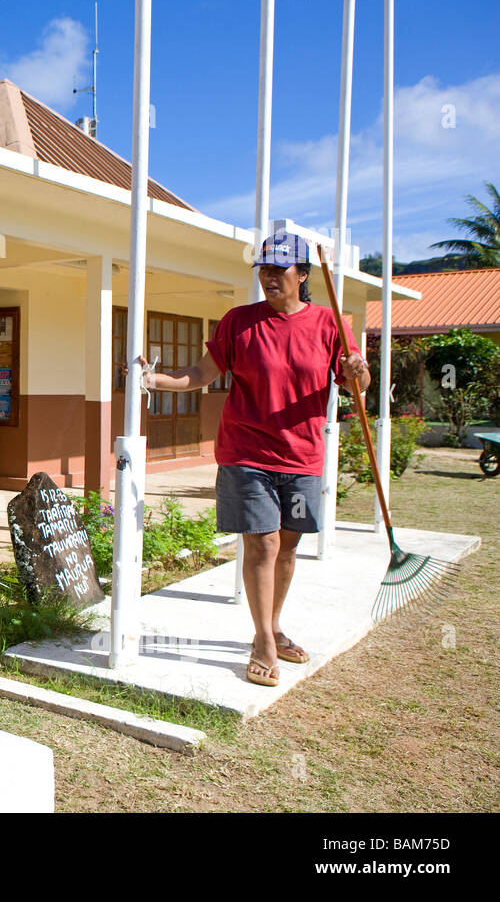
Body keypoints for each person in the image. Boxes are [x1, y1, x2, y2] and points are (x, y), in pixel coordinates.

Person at [134, 230, 370, 686]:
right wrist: (155, 379)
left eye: (278, 270)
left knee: (287, 547)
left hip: (301, 456)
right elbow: (201, 373)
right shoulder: (239, 321)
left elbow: (353, 383)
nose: (269, 278)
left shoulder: (329, 325)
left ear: (302, 274)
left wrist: (358, 371)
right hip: (246, 453)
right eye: (263, 270)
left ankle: (274, 624)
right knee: (261, 543)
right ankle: (262, 639)